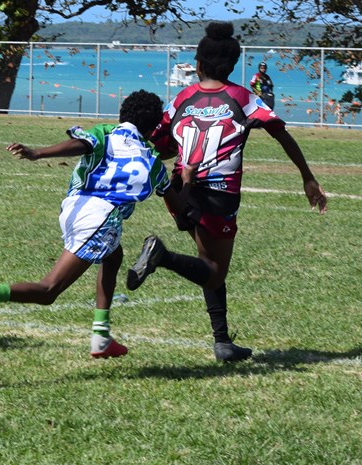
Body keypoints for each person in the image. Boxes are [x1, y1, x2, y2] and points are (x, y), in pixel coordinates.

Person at [126, 22, 327, 363]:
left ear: (198, 63)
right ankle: (162, 255)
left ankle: (222, 341)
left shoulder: (182, 98)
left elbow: (162, 145)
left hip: (179, 191)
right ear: (232, 66)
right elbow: (281, 133)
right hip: (219, 193)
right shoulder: (243, 98)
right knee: (215, 270)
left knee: (209, 261)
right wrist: (307, 177)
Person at [0, 89, 171, 359]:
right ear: (154, 127)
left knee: (114, 255)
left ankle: (101, 336)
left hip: (74, 208)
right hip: (100, 218)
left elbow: (83, 145)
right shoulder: (152, 158)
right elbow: (176, 200)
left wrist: (38, 153)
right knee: (49, 290)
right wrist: (188, 177)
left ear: (122, 114)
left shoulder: (107, 132)